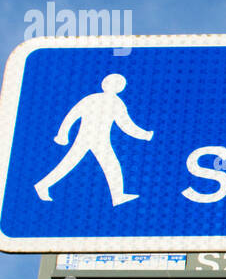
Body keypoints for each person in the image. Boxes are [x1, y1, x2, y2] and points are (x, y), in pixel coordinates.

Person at [34, 73, 153, 206]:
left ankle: (118, 196)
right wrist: (145, 135)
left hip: (97, 140)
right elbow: (125, 125)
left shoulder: (99, 100)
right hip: (91, 139)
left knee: (109, 165)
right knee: (71, 164)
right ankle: (42, 185)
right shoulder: (109, 102)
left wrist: (63, 134)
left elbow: (125, 124)